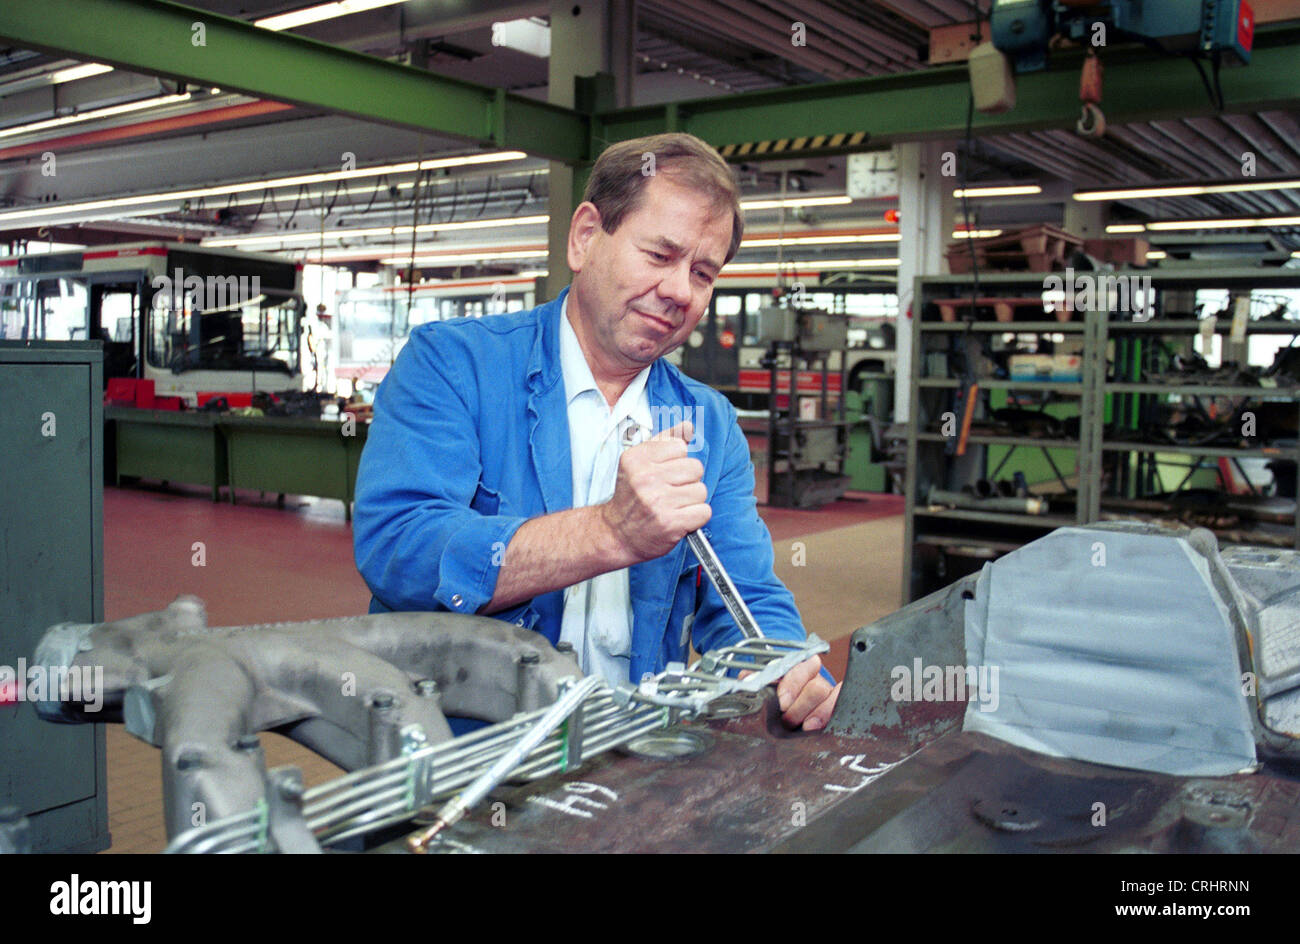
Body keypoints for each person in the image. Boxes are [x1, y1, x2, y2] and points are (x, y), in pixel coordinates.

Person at [353, 132, 840, 731]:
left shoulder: (709, 425)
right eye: (660, 256)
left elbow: (742, 596)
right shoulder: (455, 367)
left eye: (704, 273)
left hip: (627, 761)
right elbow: (401, 549)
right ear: (586, 237)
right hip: (457, 758)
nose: (680, 292)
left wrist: (785, 667)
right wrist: (610, 532)